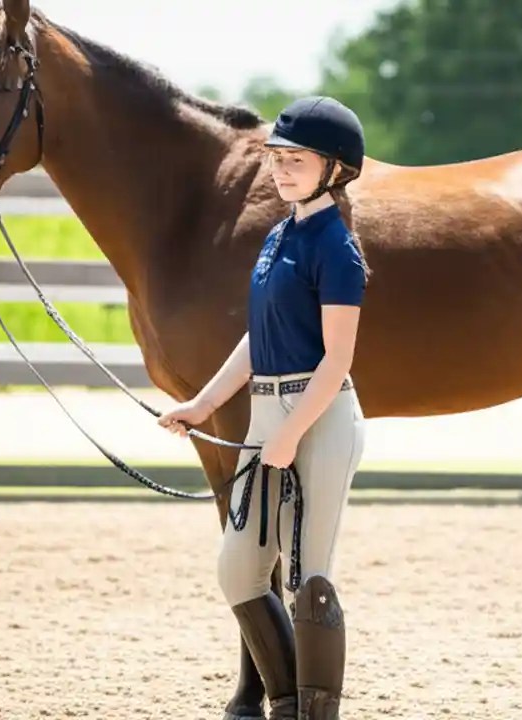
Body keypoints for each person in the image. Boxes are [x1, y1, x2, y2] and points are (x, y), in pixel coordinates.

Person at [157, 95, 369, 720]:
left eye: (296, 160)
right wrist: (202, 403)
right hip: (268, 415)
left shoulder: (338, 250)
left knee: (309, 578)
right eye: (277, 158)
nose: (281, 170)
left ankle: (314, 713)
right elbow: (259, 337)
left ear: (335, 168)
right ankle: (284, 702)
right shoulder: (280, 236)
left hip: (320, 419)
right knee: (240, 570)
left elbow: (336, 362)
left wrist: (290, 433)